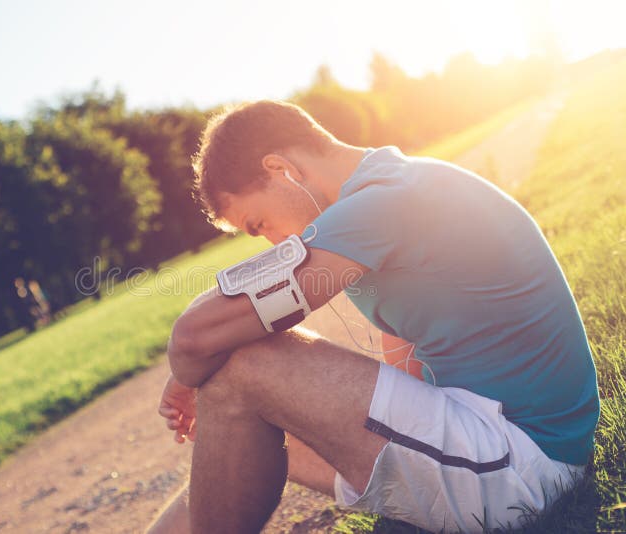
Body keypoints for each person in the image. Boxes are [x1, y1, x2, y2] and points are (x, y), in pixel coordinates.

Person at [146, 100, 599, 533]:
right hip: (503, 446)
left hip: (525, 468)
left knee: (244, 365)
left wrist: (188, 375)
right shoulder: (390, 186)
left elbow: (192, 338)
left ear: (280, 169)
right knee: (230, 428)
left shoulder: (383, 202)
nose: (270, 243)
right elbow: (406, 366)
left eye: (258, 223)